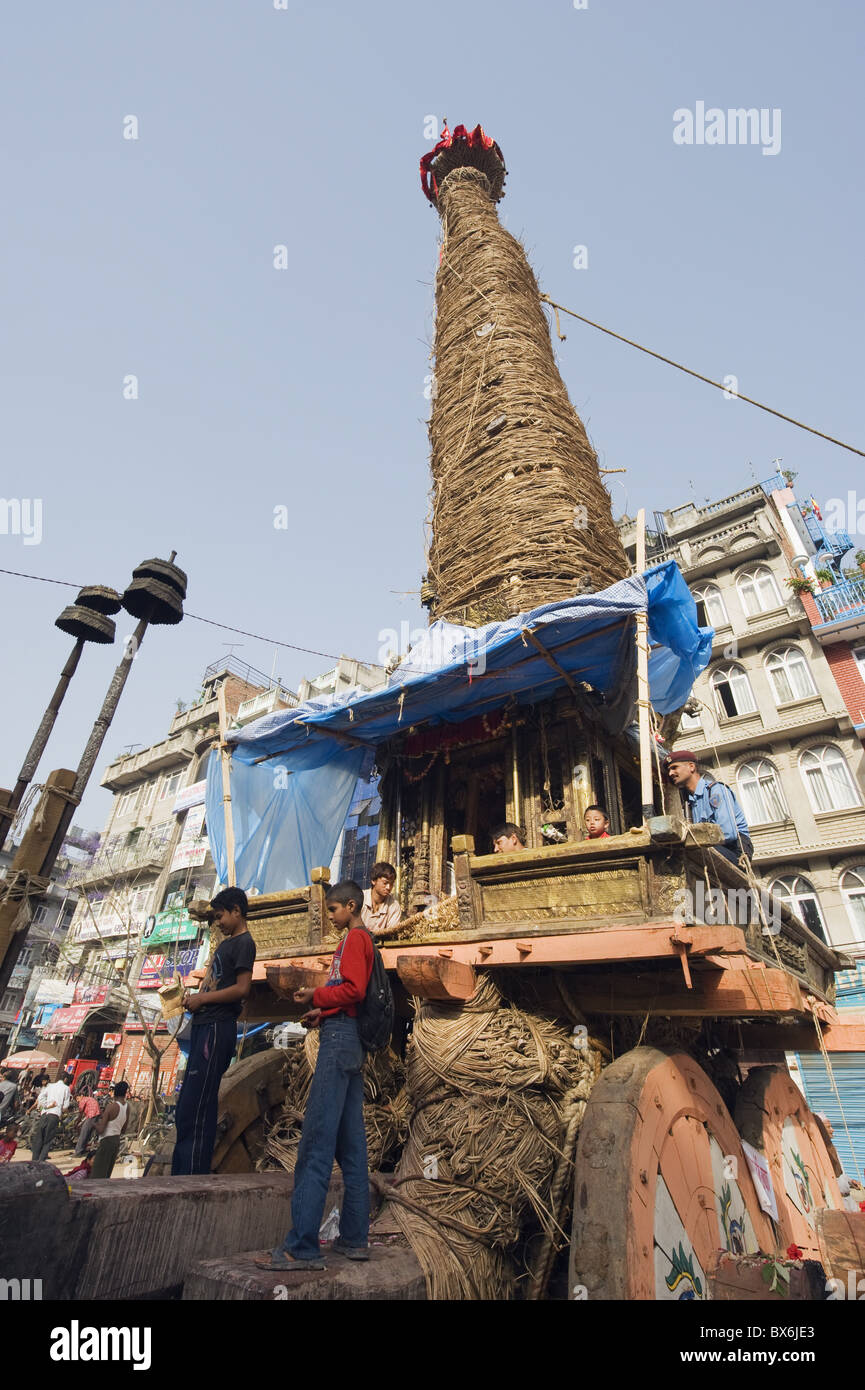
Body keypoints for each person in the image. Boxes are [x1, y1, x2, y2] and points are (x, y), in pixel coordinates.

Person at [256, 880, 373, 1272]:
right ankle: (355, 1239)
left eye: (335, 910)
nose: (332, 917)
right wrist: (321, 1012)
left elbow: (354, 990)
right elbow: (349, 998)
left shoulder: (356, 939)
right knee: (352, 1147)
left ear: (351, 906)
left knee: (316, 1142)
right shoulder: (356, 940)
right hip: (347, 1037)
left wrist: (316, 997)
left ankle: (302, 1246)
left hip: (340, 1043)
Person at [170, 886, 256, 1176]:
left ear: (236, 911)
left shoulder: (244, 943)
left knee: (196, 1107)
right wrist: (192, 997)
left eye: (220, 916)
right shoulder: (226, 943)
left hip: (217, 1029)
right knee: (188, 1106)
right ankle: (183, 1173)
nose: (218, 922)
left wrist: (203, 999)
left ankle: (190, 1177)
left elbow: (242, 989)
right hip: (205, 1026)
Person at [666, 750, 753, 866]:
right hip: (707, 852)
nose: (670, 773)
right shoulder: (689, 801)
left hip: (733, 852)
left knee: (693, 855)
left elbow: (727, 833)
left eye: (674, 767)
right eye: (669, 770)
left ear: (691, 767)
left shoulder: (715, 791)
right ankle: (699, 885)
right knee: (695, 876)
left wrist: (693, 841)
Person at [90, 1082, 130, 1179]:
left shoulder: (111, 1107)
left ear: (114, 1092)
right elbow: (123, 1130)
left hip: (106, 1141)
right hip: (116, 1141)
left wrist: (93, 1124)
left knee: (98, 1173)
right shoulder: (127, 1107)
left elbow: (101, 1130)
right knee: (107, 1172)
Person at [31, 1073, 71, 1161]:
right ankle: (41, 1161)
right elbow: (66, 1105)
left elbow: (40, 1097)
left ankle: (34, 1160)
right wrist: (62, 1110)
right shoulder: (66, 1088)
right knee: (48, 1139)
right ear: (65, 1079)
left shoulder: (50, 1086)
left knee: (39, 1138)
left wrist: (46, 1106)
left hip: (44, 1114)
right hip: (54, 1115)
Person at [361, 862, 402, 939]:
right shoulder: (360, 899)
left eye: (391, 883)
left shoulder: (394, 906)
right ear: (373, 880)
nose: (388, 887)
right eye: (385, 883)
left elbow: (391, 933)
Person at [74, 1090, 103, 1156]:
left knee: (83, 1133)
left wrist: (77, 1123)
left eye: (77, 1098)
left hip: (91, 1115)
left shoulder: (83, 1100)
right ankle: (83, 1149)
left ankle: (78, 1151)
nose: (78, 1100)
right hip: (96, 1116)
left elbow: (80, 1113)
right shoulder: (89, 1098)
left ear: (81, 1096)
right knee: (87, 1133)